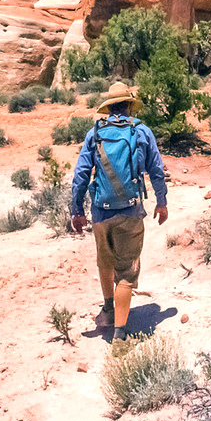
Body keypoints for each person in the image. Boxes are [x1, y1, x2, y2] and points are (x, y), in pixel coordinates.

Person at [68, 82, 169, 340]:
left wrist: (76, 210)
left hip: (100, 213)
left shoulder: (95, 133)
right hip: (130, 212)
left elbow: (81, 174)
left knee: (105, 261)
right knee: (126, 273)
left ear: (109, 107)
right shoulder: (141, 131)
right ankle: (120, 334)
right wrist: (161, 201)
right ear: (129, 106)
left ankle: (108, 309)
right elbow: (156, 171)